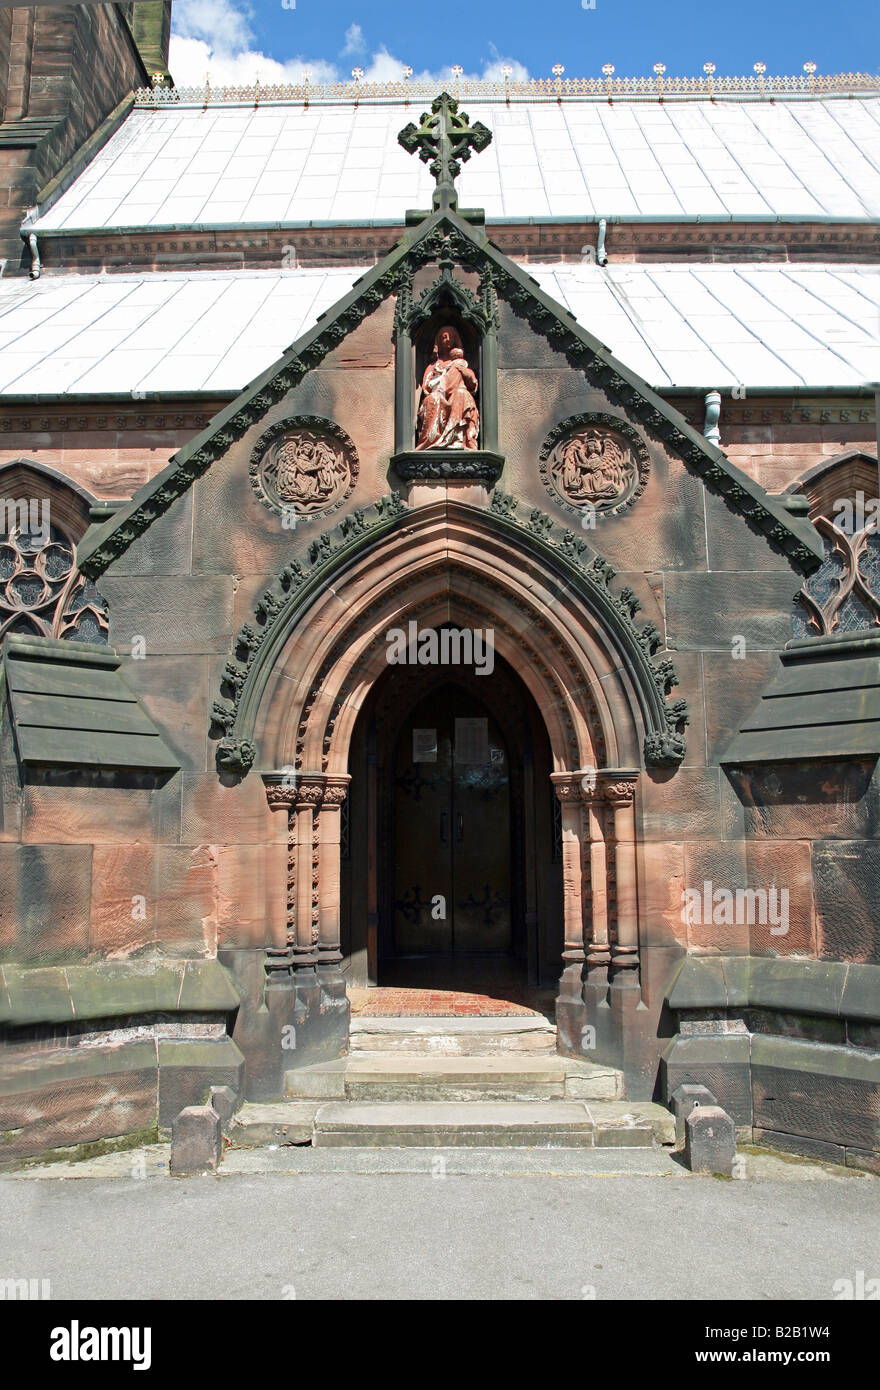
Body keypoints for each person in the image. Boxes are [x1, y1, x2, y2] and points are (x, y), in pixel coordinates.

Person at [415, 325, 479, 450]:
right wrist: (439, 383)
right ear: (438, 341)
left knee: (462, 394)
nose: (447, 339)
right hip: (438, 394)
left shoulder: (460, 363)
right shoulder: (433, 366)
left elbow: (472, 383)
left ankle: (458, 439)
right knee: (432, 399)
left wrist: (463, 371)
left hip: (456, 396)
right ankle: (430, 441)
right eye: (444, 337)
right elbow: (426, 387)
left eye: (451, 337)